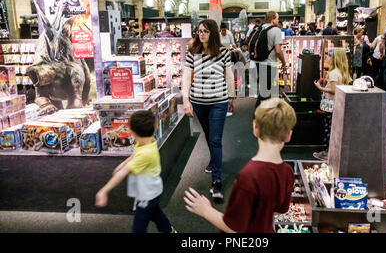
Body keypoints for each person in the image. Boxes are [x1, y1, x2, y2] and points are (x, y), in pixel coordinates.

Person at [184, 98, 297, 233]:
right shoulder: (288, 171)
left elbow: (234, 228)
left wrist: (206, 210)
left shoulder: (249, 176)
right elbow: (281, 209)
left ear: (255, 129)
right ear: (289, 135)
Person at [95, 110, 175, 233]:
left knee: (139, 227)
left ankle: (168, 229)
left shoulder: (145, 153)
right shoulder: (147, 141)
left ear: (132, 131)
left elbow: (123, 174)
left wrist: (103, 191)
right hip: (152, 190)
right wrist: (123, 163)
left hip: (146, 195)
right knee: (155, 214)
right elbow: (135, 155)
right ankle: (168, 230)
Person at [181, 19, 235, 202]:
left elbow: (229, 75)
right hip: (198, 102)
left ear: (213, 33)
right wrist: (185, 100)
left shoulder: (222, 53)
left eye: (205, 31)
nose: (201, 34)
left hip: (219, 101)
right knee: (208, 134)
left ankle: (217, 181)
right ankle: (214, 162)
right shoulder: (193, 53)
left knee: (215, 139)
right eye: (199, 31)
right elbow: (186, 78)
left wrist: (232, 96)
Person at [313, 48, 352, 161]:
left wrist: (321, 88)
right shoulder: (343, 72)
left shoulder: (334, 73)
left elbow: (334, 90)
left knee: (328, 128)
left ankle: (326, 153)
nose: (327, 58)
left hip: (331, 105)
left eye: (329, 56)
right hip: (339, 104)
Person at [254, 11, 287, 110]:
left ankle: (262, 115)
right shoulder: (276, 30)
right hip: (270, 64)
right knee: (267, 92)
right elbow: (278, 50)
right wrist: (284, 62)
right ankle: (258, 117)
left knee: (264, 90)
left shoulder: (260, 28)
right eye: (277, 18)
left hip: (259, 63)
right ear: (273, 20)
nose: (278, 20)